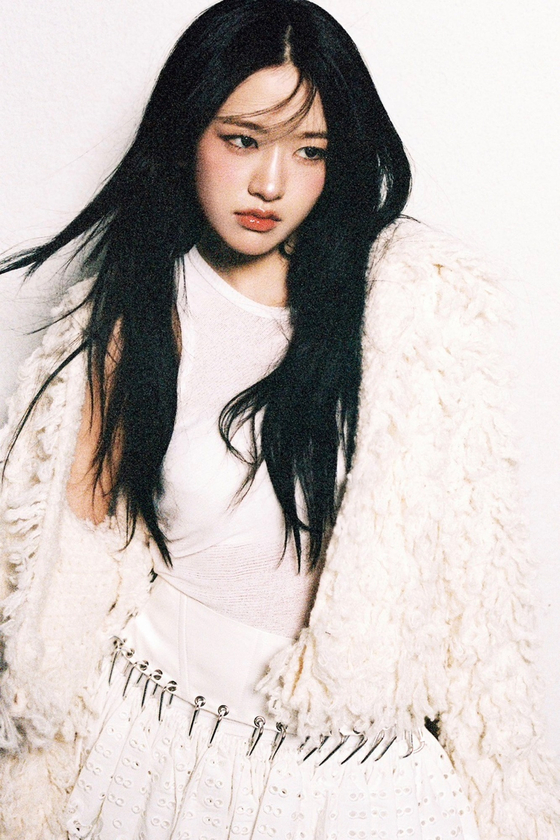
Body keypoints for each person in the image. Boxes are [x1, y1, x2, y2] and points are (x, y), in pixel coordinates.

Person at [0, 0, 558, 838]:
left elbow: (480, 604)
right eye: (242, 140)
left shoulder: (418, 321)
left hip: (351, 781)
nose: (271, 183)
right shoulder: (138, 314)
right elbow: (62, 572)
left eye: (310, 151)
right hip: (160, 750)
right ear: (187, 134)